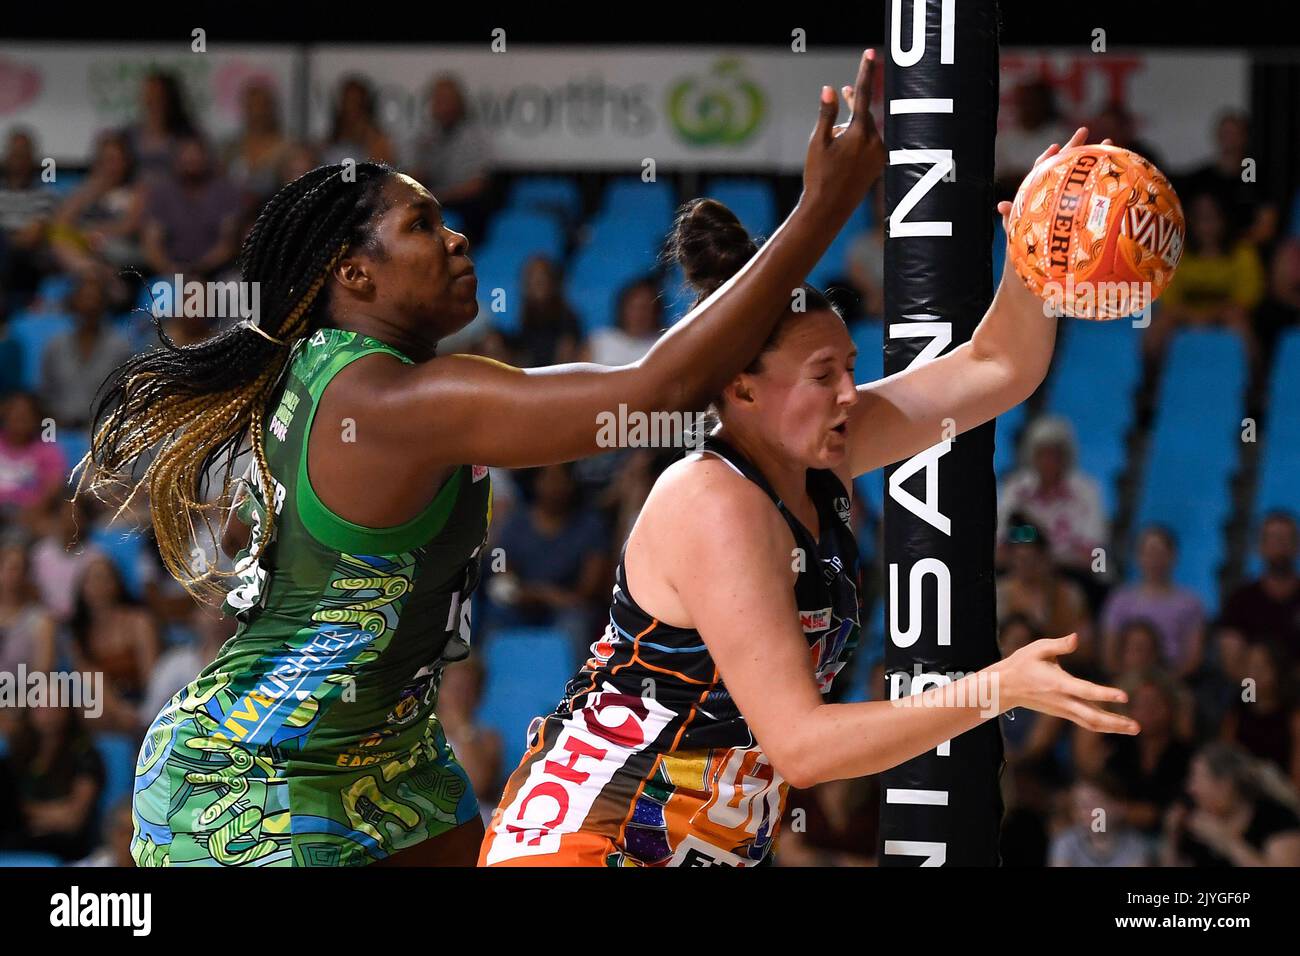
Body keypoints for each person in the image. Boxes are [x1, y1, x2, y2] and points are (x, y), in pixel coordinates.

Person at [77, 50, 889, 867]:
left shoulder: (365, 380)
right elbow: (652, 394)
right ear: (353, 273)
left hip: (389, 757)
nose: (457, 236)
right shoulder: (383, 401)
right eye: (422, 227)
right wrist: (819, 211)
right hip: (252, 777)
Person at [481, 126, 1141, 868]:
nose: (850, 393)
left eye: (851, 367)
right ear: (741, 387)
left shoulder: (819, 449)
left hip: (684, 846)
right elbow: (801, 748)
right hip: (587, 841)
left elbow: (998, 366)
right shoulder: (713, 500)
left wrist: (1035, 243)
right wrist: (994, 688)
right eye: (824, 375)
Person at [996, 414, 1108, 576]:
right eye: (1042, 454)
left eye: (1055, 454)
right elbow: (1000, 546)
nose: (1048, 461)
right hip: (1019, 571)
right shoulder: (1015, 489)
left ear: (1067, 457)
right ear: (1031, 456)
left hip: (1069, 573)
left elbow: (1096, 557)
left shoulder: (1088, 491)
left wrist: (1048, 562)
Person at [1162, 742, 1300, 866]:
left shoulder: (1277, 820)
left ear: (1225, 784)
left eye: (1196, 778)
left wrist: (1227, 842)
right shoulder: (1195, 820)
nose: (1190, 788)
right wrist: (1172, 837)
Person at [1100, 525, 1205, 679]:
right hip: (1127, 679)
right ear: (1138, 556)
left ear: (1173, 556)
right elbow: (1109, 655)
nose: (1154, 559)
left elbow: (1194, 658)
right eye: (1148, 552)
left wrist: (1165, 684)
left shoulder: (1190, 603)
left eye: (1160, 553)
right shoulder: (1119, 600)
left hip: (1173, 680)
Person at [141, 134, 245, 281]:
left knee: (240, 289)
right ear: (176, 159)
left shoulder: (226, 192)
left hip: (217, 272)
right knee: (157, 297)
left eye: (196, 154)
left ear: (206, 157)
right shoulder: (161, 194)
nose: (191, 159)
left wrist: (199, 269)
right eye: (185, 154)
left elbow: (228, 244)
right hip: (170, 273)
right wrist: (172, 269)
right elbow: (152, 245)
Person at [40, 274, 136, 429]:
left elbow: (127, 395)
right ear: (74, 303)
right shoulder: (55, 346)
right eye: (84, 299)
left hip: (102, 434)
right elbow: (45, 395)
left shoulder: (120, 348)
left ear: (104, 304)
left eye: (95, 299)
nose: (90, 306)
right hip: (60, 431)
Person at [406, 74, 492, 243]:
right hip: (431, 199)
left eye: (447, 100)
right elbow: (415, 175)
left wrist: (442, 196)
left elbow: (478, 184)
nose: (441, 105)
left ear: (459, 104)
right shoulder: (426, 135)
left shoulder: (474, 136)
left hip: (463, 204)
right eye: (437, 100)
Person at [1217, 511, 1300, 674]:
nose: (1279, 546)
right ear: (1259, 547)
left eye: (1285, 539)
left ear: (1296, 546)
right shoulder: (1240, 600)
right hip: (1253, 689)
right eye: (1273, 539)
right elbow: (1233, 663)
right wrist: (1255, 695)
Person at [1048, 774, 1152, 866]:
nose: (1086, 811)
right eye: (1080, 805)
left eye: (1093, 802)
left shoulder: (1135, 845)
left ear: (1118, 806)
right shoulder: (1066, 843)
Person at [321, 76, 396, 167]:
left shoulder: (377, 141)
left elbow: (385, 171)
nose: (350, 109)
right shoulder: (332, 139)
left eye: (355, 103)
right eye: (346, 102)